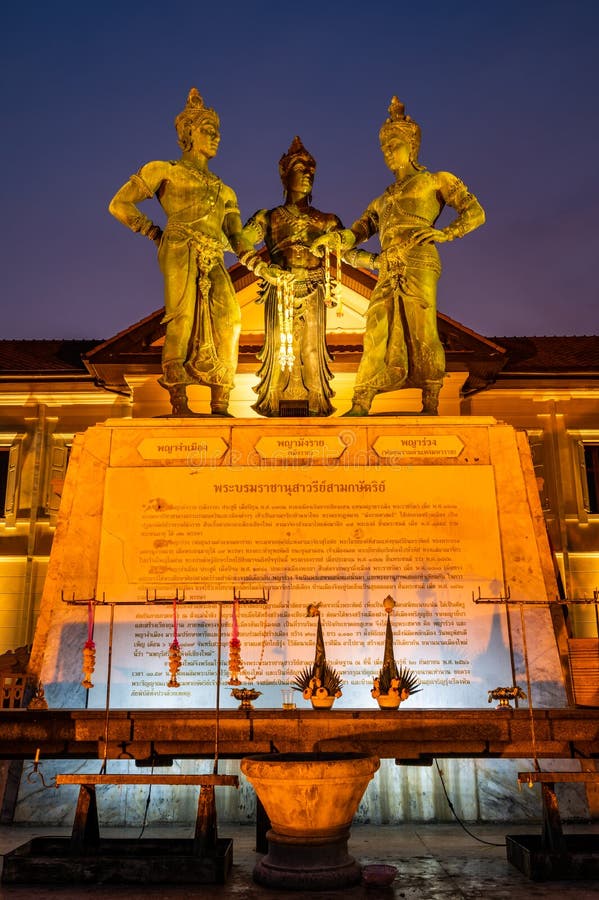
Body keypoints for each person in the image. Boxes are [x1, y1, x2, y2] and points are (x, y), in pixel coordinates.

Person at [109, 88, 283, 416]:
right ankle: (179, 400)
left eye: (217, 132)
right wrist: (153, 232)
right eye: (208, 131)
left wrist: (259, 253)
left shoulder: (225, 190)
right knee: (182, 317)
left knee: (229, 318)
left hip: (213, 253)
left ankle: (220, 401)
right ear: (189, 134)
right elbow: (119, 204)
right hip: (179, 246)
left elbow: (235, 238)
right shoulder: (165, 170)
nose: (216, 137)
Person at [314, 97, 485, 415]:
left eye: (394, 145)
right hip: (388, 265)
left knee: (422, 329)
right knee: (377, 326)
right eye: (384, 148)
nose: (388, 153)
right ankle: (362, 397)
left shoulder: (436, 180)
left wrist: (446, 233)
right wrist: (336, 241)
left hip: (420, 260)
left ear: (411, 144)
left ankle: (430, 397)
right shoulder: (382, 199)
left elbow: (475, 213)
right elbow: (357, 232)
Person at [239, 137, 343, 417]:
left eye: (311, 170)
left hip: (313, 287)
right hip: (280, 287)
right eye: (300, 168)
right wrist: (258, 266)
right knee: (279, 348)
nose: (307, 174)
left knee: (311, 349)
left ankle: (315, 402)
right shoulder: (268, 218)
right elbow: (238, 241)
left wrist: (379, 261)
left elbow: (348, 250)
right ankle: (275, 401)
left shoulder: (327, 221)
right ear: (284, 175)